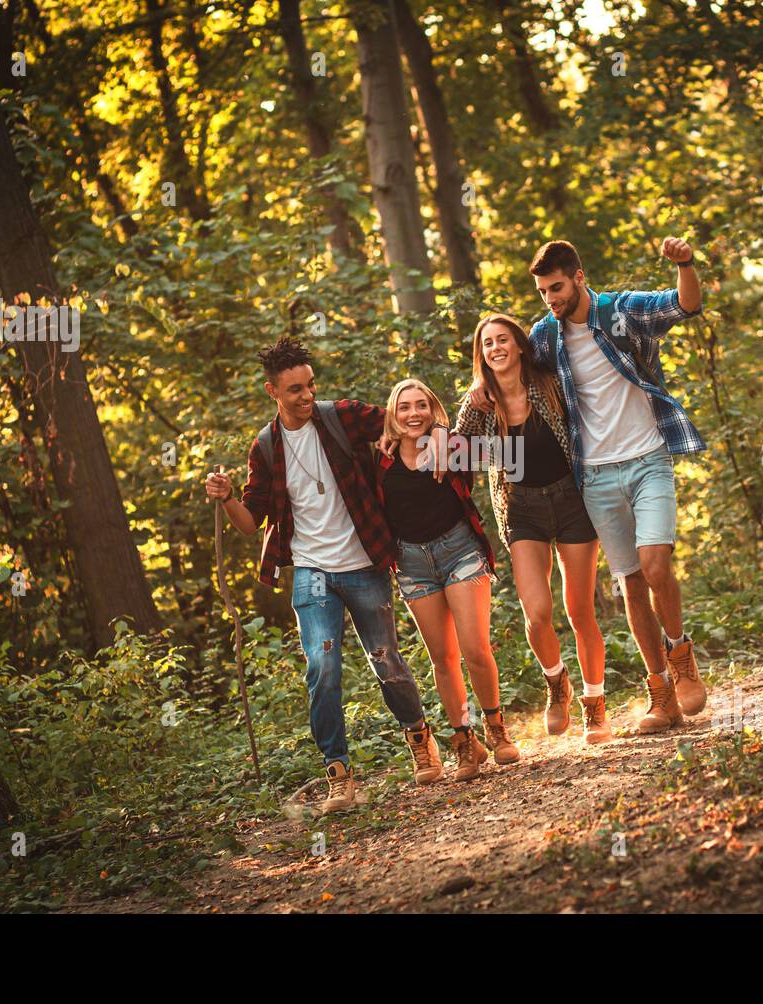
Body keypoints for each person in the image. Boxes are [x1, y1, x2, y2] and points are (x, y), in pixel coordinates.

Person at [470, 237, 709, 733]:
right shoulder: (545, 336)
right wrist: (481, 387)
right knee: (630, 586)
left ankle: (682, 655)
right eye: (541, 292)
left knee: (655, 562)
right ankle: (659, 693)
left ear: (579, 277)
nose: (550, 299)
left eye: (555, 287)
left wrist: (685, 264)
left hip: (647, 459)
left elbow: (685, 305)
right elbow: (505, 359)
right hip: (594, 475)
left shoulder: (621, 311)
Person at [203, 336, 444, 814]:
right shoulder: (266, 447)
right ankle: (339, 773)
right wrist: (227, 496)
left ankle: (419, 738)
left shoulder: (342, 417)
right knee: (323, 668)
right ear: (274, 391)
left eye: (310, 384)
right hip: (312, 572)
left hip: (363, 562)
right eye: (295, 389)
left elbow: (404, 418)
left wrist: (436, 432)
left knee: (386, 660)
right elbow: (252, 522)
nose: (307, 395)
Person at [452, 314, 611, 744]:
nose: (495, 348)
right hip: (522, 509)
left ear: (520, 345)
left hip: (572, 500)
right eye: (487, 344)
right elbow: (453, 453)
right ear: (480, 355)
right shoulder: (481, 403)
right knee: (537, 614)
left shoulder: (549, 382)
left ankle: (595, 707)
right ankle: (557, 682)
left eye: (503, 340)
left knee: (579, 611)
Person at [377, 378, 521, 781]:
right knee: (443, 658)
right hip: (412, 564)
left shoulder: (452, 447)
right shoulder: (380, 459)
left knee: (475, 648)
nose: (413, 414)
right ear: (393, 414)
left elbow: (516, 457)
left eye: (421, 405)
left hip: (460, 551)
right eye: (404, 407)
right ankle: (464, 742)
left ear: (433, 409)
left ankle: (496, 729)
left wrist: (448, 435)